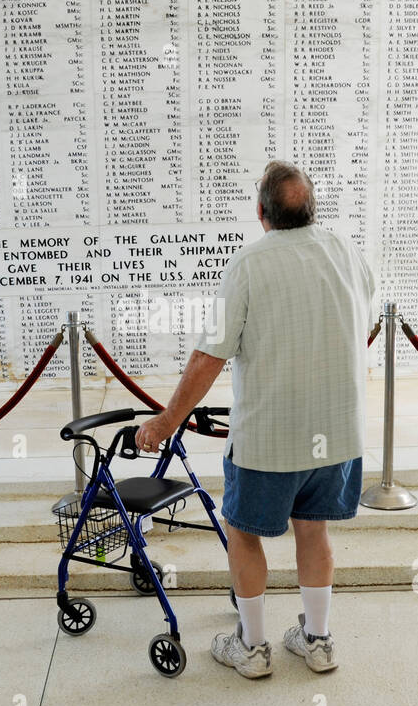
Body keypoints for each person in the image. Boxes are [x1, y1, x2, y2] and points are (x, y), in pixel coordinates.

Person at [134, 159, 376, 678]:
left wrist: (165, 422)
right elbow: (364, 318)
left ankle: (252, 648)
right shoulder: (347, 251)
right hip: (337, 435)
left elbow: (209, 355)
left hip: (271, 439)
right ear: (311, 210)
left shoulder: (249, 263)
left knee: (243, 533)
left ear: (260, 212)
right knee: (314, 532)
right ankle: (318, 641)